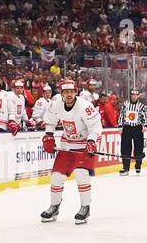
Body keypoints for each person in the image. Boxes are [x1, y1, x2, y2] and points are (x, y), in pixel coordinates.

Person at [40, 79, 101, 225]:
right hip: (67, 146)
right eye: (66, 92)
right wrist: (48, 136)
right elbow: (50, 121)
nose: (69, 94)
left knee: (81, 175)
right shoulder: (55, 104)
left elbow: (96, 126)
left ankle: (85, 207)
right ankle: (54, 207)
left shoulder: (85, 107)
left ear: (76, 92)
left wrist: (92, 141)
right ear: (61, 93)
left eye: (71, 91)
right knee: (56, 177)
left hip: (83, 147)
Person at [118, 88, 147, 175]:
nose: (134, 97)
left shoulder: (141, 106)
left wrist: (145, 125)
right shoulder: (126, 104)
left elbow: (145, 116)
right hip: (127, 128)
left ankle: (138, 166)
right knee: (125, 148)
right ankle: (126, 168)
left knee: (138, 148)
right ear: (130, 95)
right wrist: (120, 125)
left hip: (137, 128)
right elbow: (122, 115)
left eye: (135, 95)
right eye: (132, 95)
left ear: (138, 96)